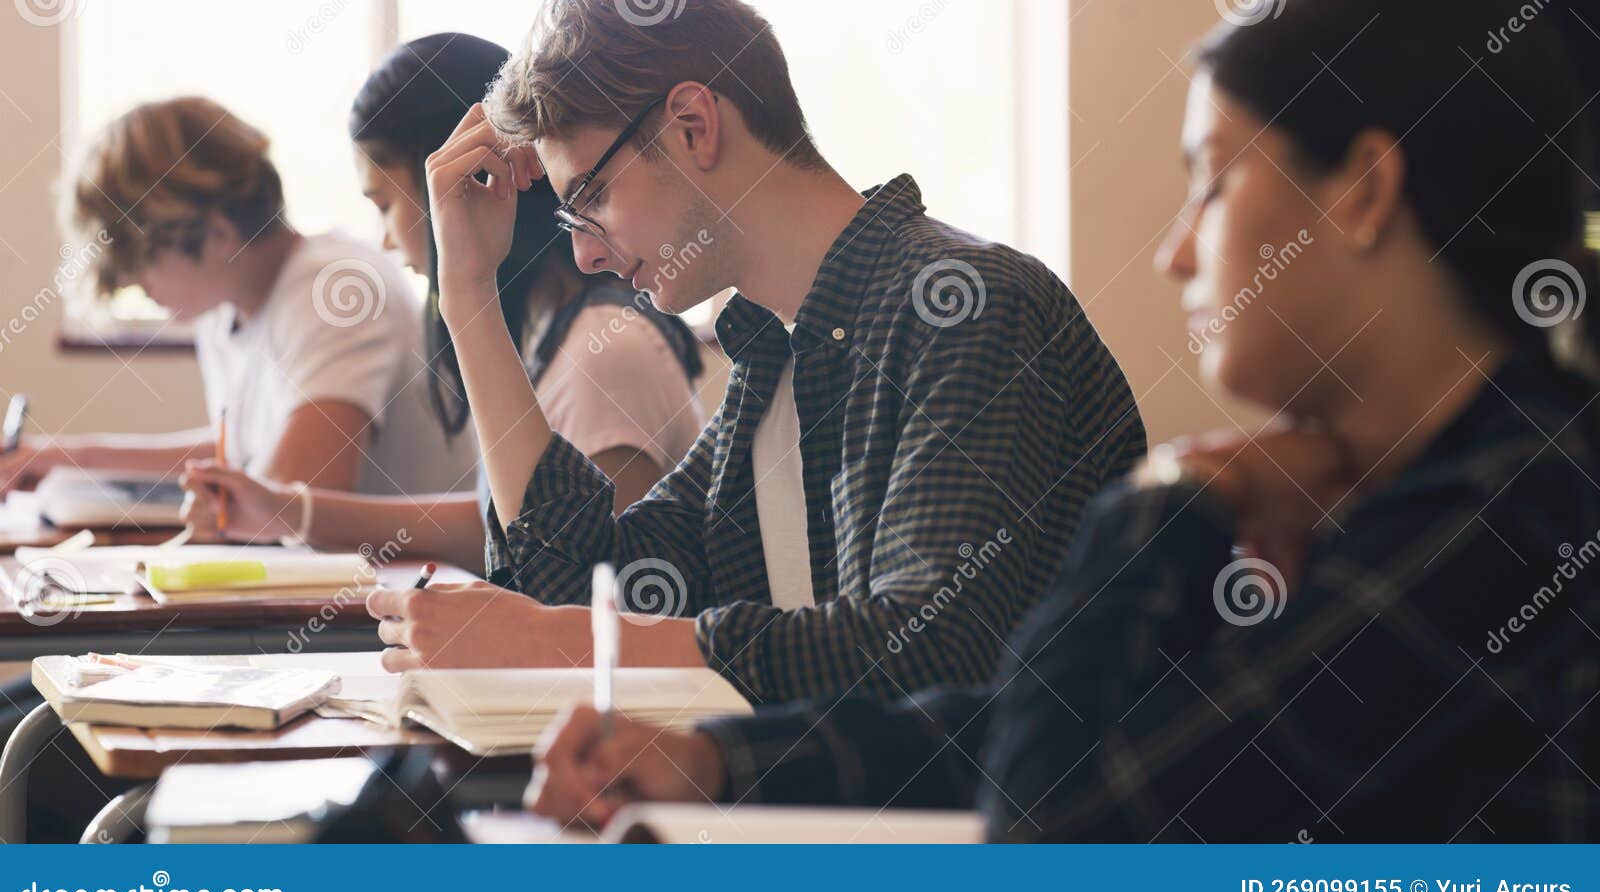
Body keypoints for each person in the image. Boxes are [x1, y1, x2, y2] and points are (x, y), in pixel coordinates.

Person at [524, 0, 1600, 842]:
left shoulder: (1509, 519)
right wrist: (716, 764)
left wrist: (1172, 494)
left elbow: (1058, 823)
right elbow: (1058, 731)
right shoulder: (1389, 490)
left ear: (1363, 190)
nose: (1177, 251)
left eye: (1211, 184)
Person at [365, 0, 1146, 697]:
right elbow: (599, 584)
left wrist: (560, 642)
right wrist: (467, 288)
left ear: (693, 127)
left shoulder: (966, 309)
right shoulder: (775, 355)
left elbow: (930, 648)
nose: (586, 258)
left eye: (590, 199)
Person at [178, 34, 707, 570]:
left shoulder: (603, 352)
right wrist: (290, 511)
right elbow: (508, 525)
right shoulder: (551, 335)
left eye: (384, 204)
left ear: (471, 181)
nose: (384, 240)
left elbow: (577, 582)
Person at [3, 96, 474, 499]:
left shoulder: (334, 289)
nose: (131, 283)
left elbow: (292, 499)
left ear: (217, 233)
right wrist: (62, 458)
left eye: (140, 259)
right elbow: (245, 455)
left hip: (420, 587)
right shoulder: (227, 309)